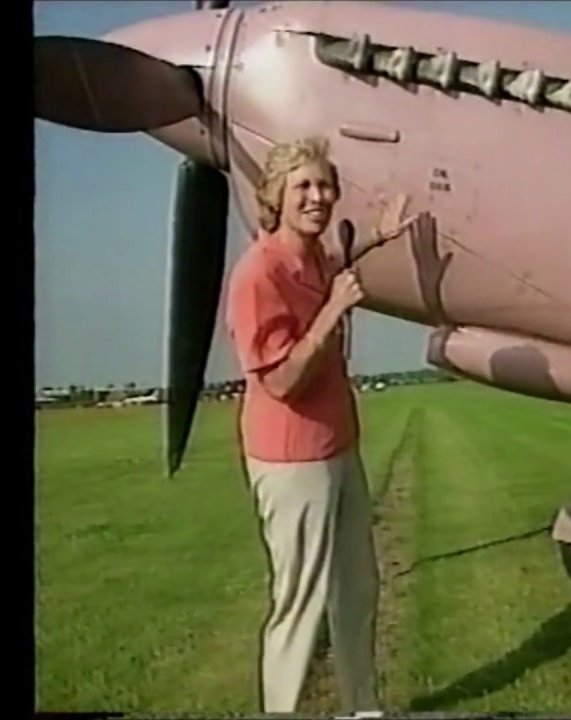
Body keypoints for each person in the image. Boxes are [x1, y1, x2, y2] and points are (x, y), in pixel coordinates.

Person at [224, 137, 417, 714]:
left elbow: (338, 272)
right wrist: (333, 312)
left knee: (358, 590)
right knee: (300, 601)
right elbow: (279, 381)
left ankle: (364, 707)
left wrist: (379, 236)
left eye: (325, 185)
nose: (318, 196)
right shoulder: (258, 275)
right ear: (275, 195)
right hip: (291, 458)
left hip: (340, 443)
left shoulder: (315, 259)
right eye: (304, 185)